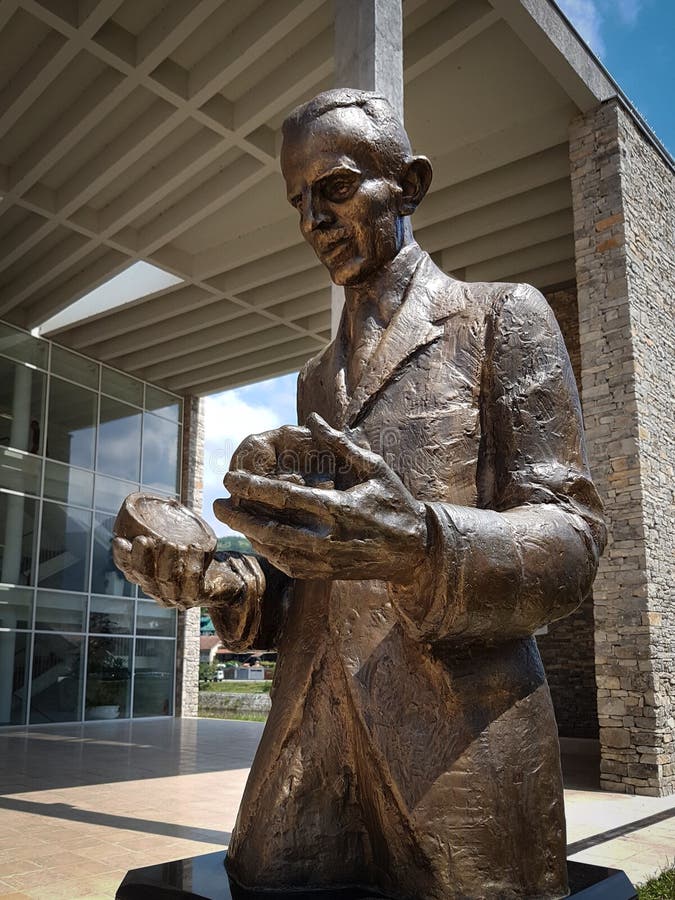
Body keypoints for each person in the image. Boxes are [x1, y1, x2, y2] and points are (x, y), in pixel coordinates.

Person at [114, 90, 605, 900]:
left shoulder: (499, 318)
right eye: (298, 202)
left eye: (334, 189)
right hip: (311, 738)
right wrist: (222, 582)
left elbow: (573, 536)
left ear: (407, 185)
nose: (312, 219)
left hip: (455, 739)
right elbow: (320, 569)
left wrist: (423, 545)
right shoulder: (315, 377)